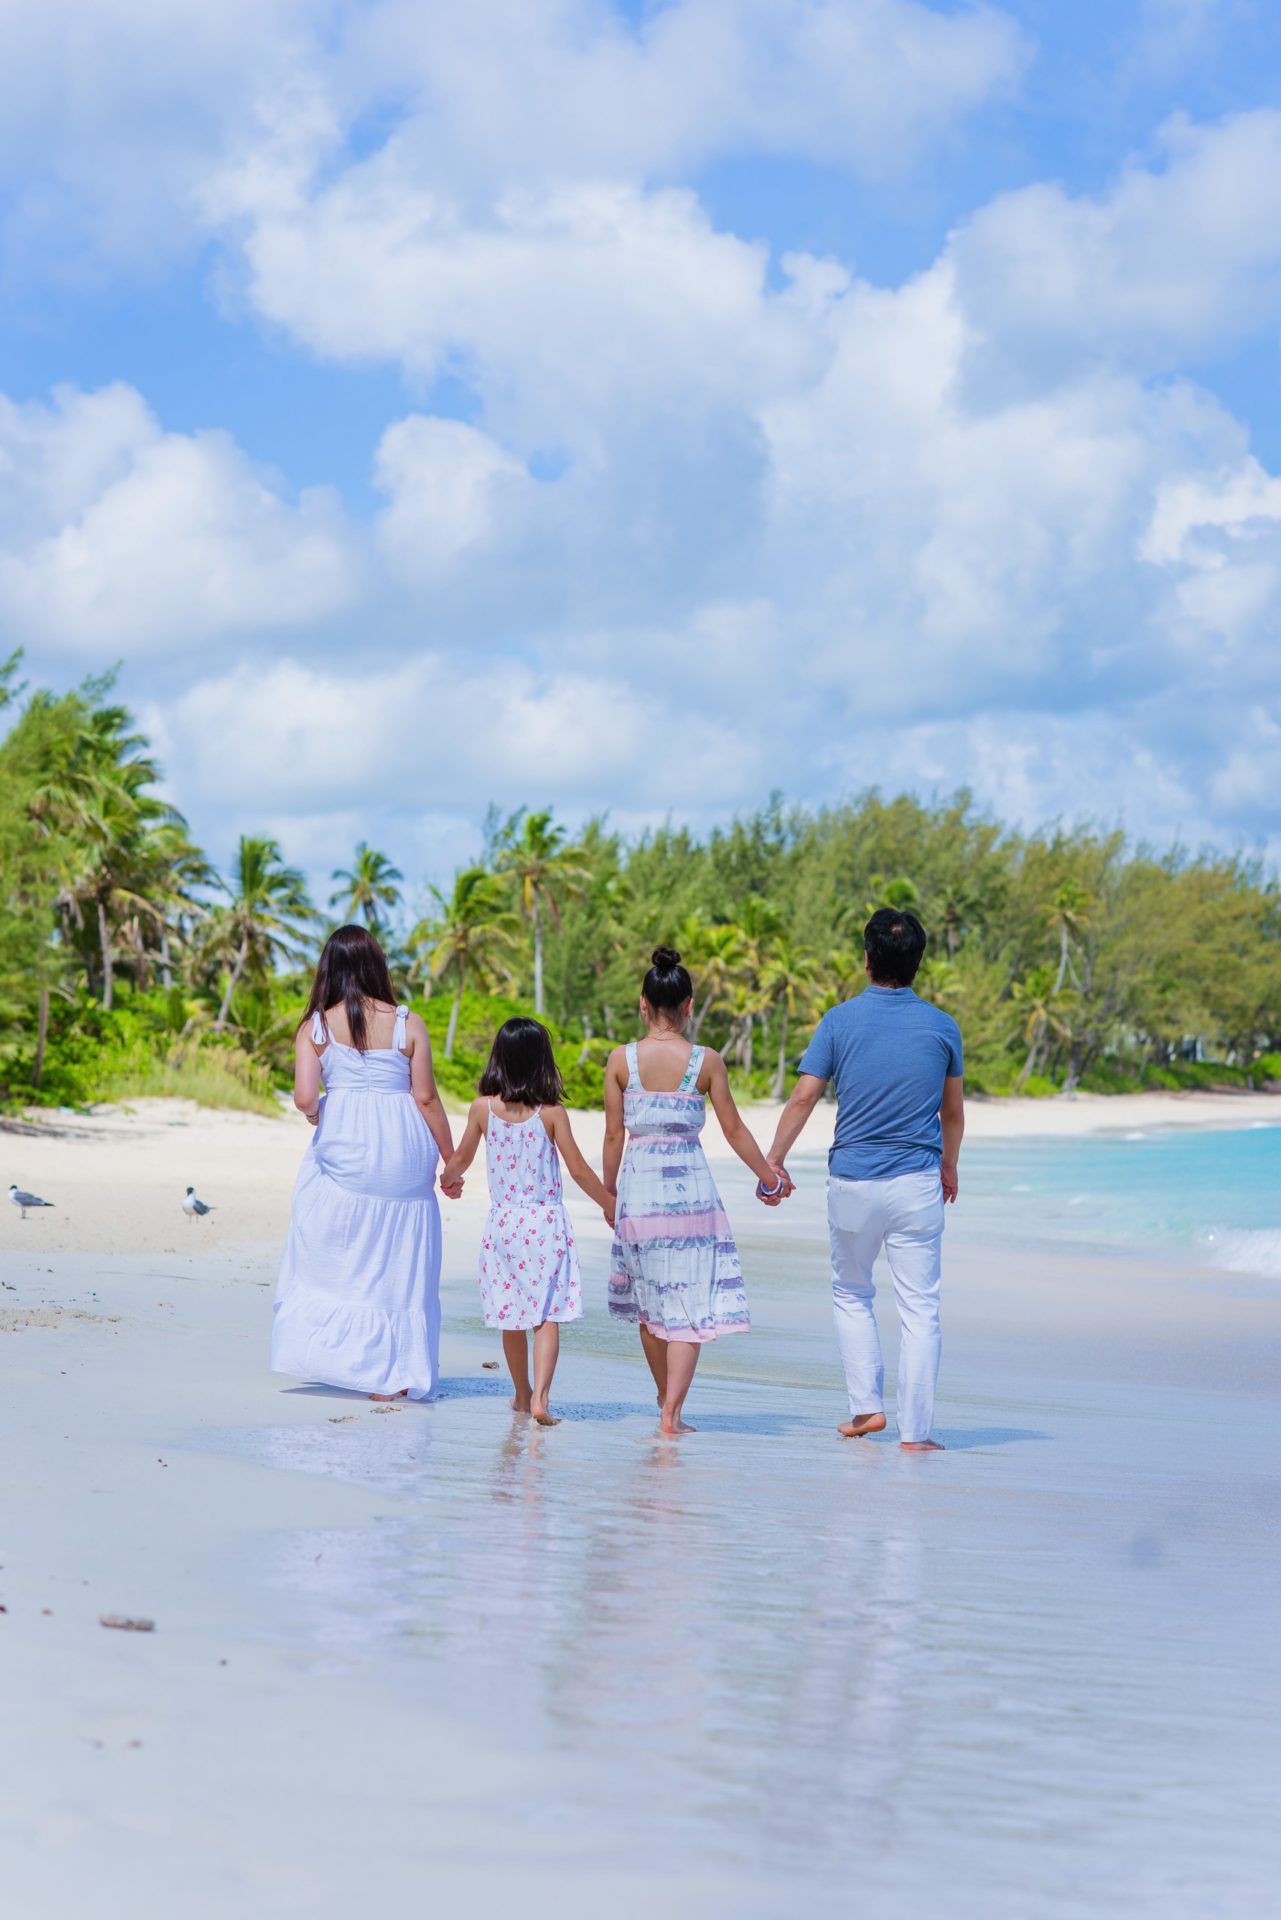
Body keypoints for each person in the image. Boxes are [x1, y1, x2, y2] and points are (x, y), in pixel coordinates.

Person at [767, 908, 964, 1452]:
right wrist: (949, 1165)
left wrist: (774, 1161)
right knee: (920, 1308)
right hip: (917, 1183)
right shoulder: (943, 1026)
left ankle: (866, 1409)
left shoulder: (838, 1021)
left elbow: (804, 1096)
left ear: (867, 959)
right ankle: (916, 1435)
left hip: (853, 1182)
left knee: (852, 1292)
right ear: (918, 963)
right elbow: (952, 1112)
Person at [603, 946, 789, 1437]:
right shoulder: (706, 1061)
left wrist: (609, 1195)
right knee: (687, 1306)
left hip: (638, 1195)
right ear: (689, 1006)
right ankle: (672, 1414)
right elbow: (734, 1130)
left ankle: (665, 1400)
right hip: (692, 1197)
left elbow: (613, 1136)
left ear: (643, 1004)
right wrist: (769, 1178)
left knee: (649, 1305)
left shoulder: (621, 1061)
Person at [272, 925, 456, 1402]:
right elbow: (426, 1097)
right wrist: (451, 1159)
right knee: (401, 1258)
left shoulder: (315, 1027)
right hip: (405, 1146)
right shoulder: (407, 1023)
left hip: (348, 1144)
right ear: (376, 965)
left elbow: (304, 1097)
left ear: (329, 968)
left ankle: (352, 1360)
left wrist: (319, 1114)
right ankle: (396, 1374)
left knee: (345, 1251)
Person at [441, 1018, 614, 1426]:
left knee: (511, 1315)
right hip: (546, 1224)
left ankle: (520, 1394)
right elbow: (578, 1169)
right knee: (546, 1316)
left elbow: (462, 1157)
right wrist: (609, 1203)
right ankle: (541, 1398)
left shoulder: (483, 1109)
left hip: (504, 1225)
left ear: (498, 1058)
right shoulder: (551, 1113)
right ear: (542, 1061)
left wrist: (449, 1179)